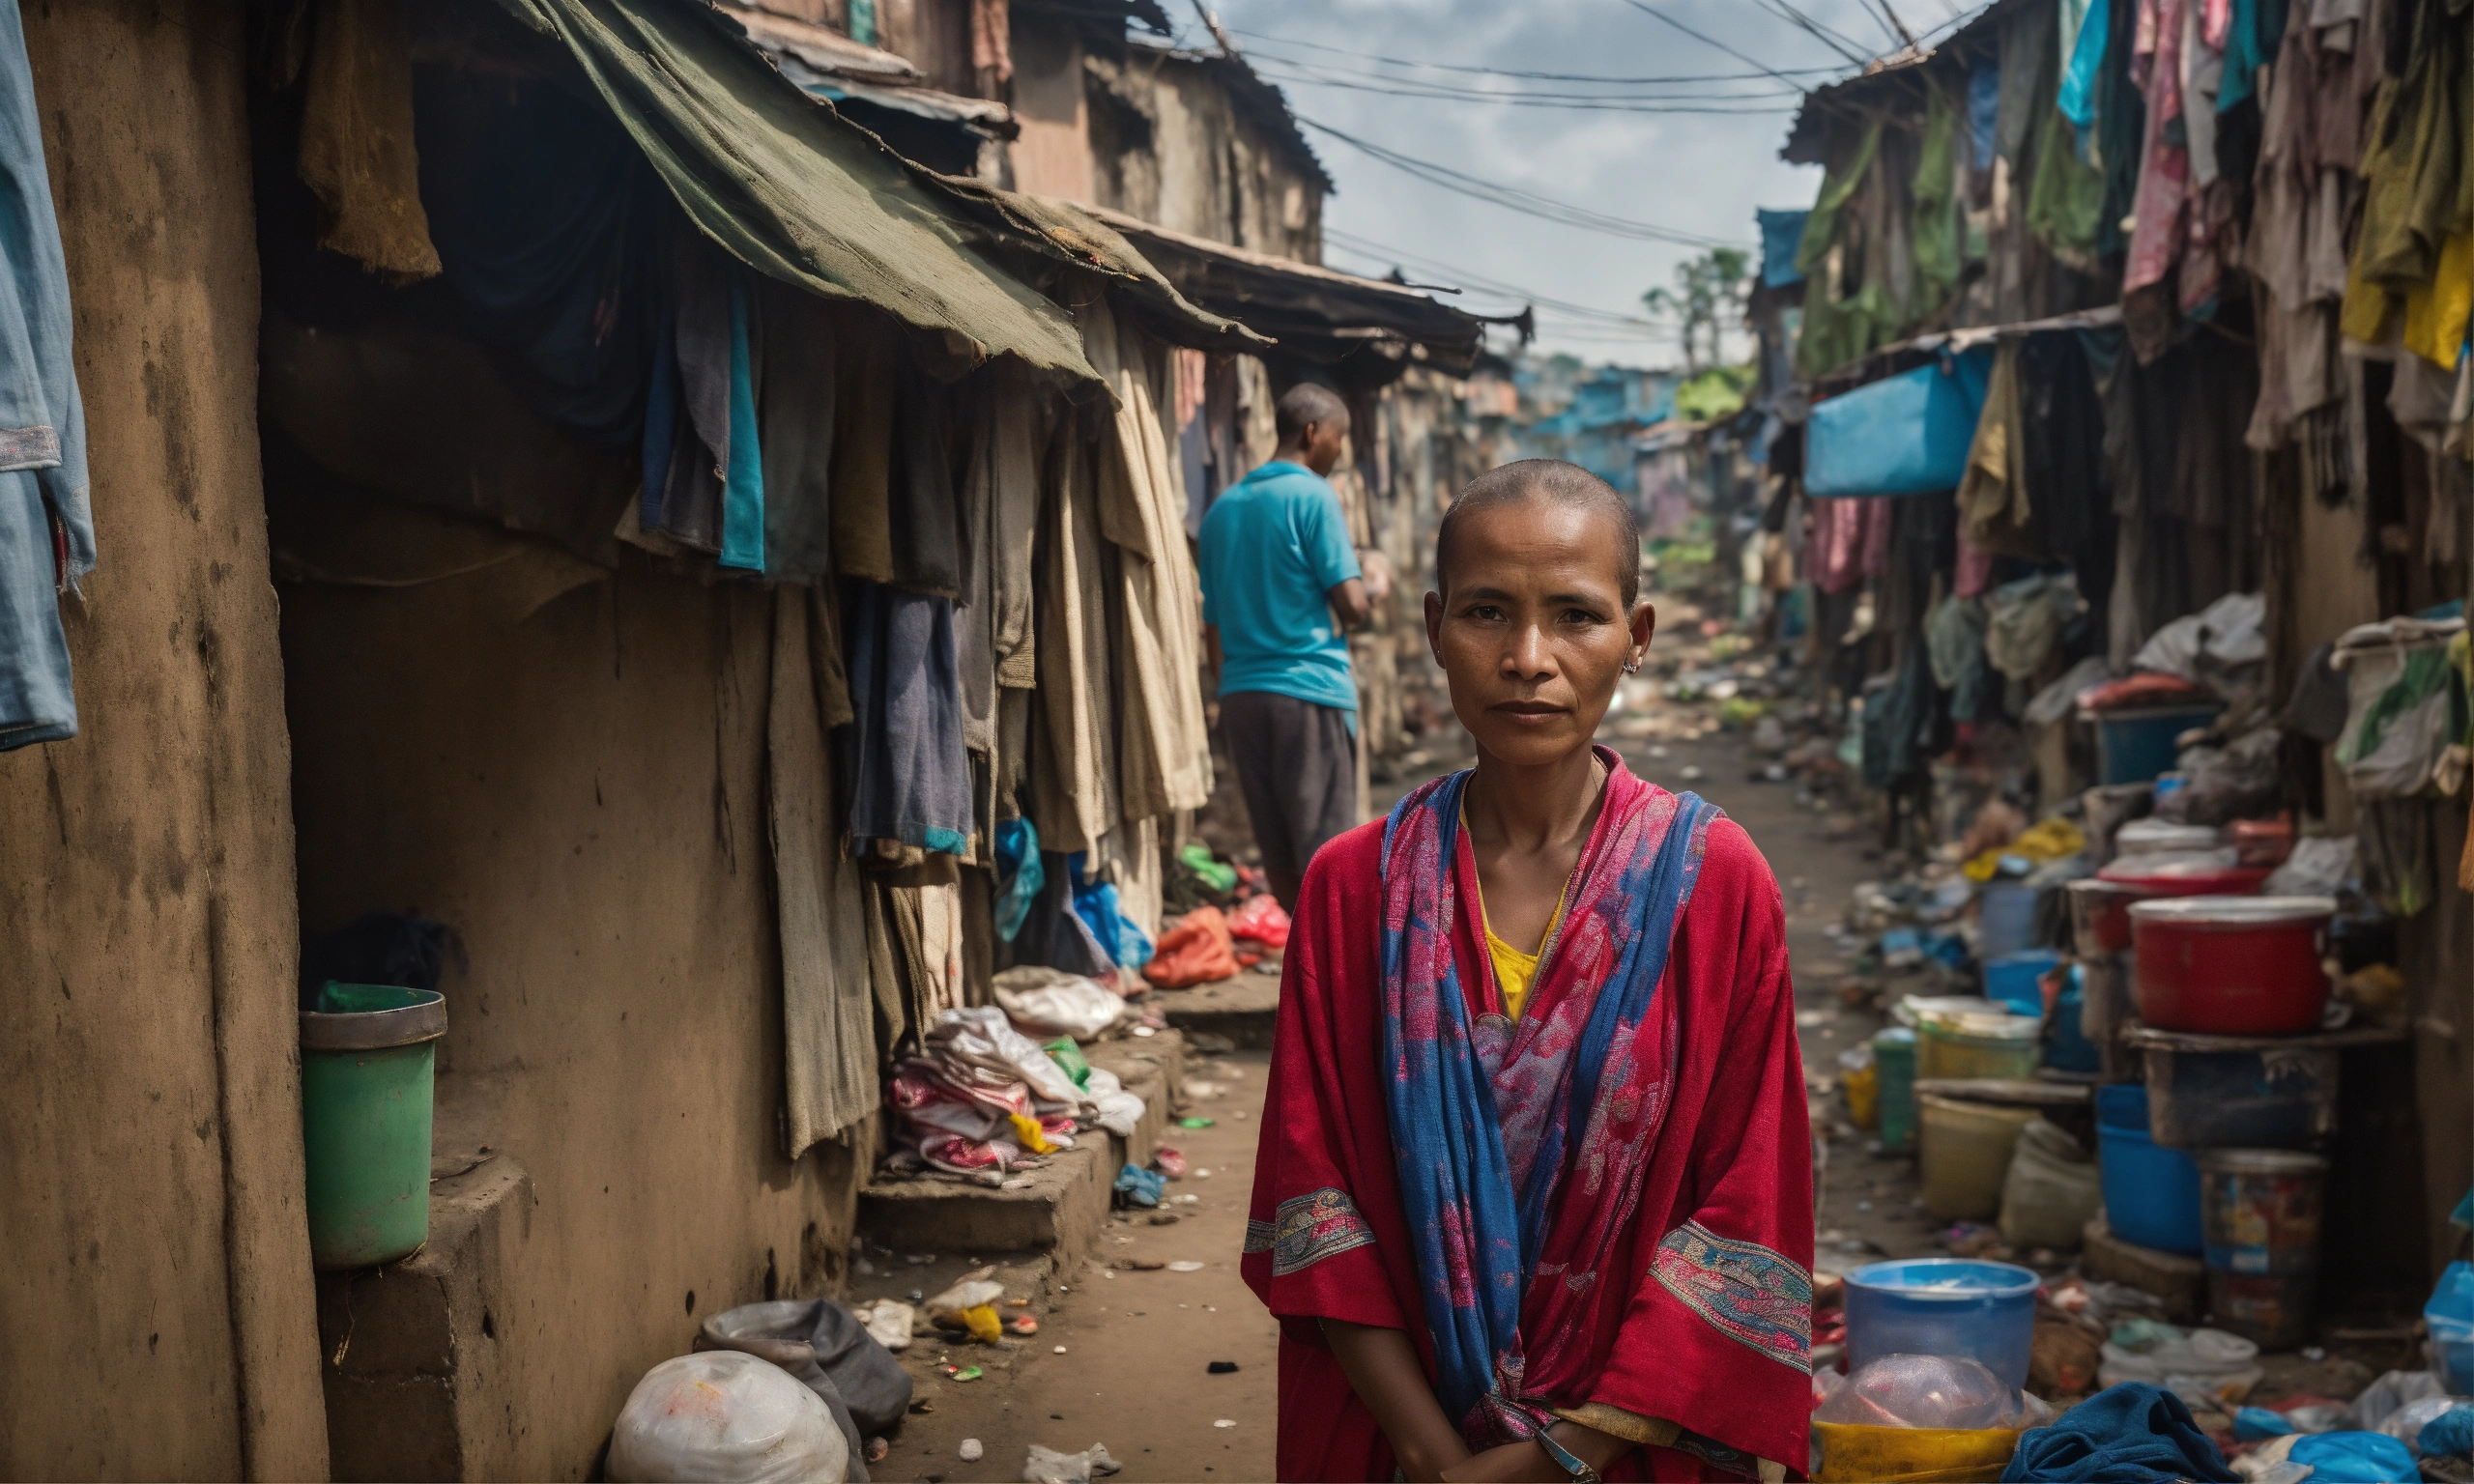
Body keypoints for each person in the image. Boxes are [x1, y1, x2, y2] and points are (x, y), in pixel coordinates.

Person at [1241, 459, 1813, 1484]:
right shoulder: (1351, 890)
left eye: (1576, 617)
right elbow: (1313, 1197)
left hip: (1635, 1442)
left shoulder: (1712, 885)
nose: (1528, 658)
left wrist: (1565, 1456)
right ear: (1432, 628)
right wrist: (1431, 1455)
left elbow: (1746, 1202)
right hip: (1399, 1445)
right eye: (1488, 613)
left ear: (1635, 640)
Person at [1198, 382, 1378, 909]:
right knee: (1329, 849)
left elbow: (1212, 623)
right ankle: (1333, 980)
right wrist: (1373, 587)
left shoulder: (1220, 510)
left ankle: (1303, 970)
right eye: (1340, 439)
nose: (1340, 451)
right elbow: (1352, 606)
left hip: (1241, 697)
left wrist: (1227, 691)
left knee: (1275, 846)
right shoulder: (1313, 495)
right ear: (1312, 432)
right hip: (1308, 689)